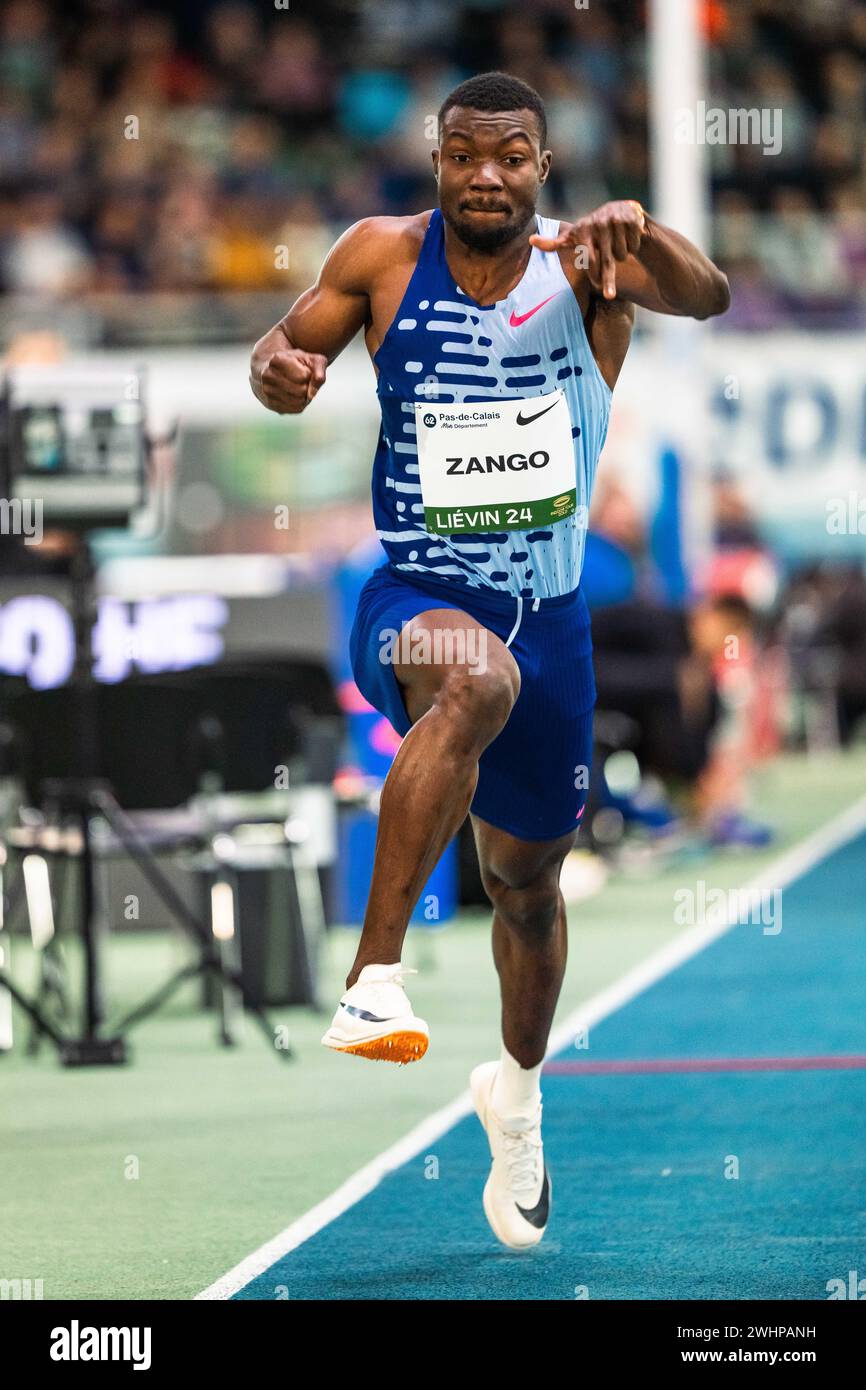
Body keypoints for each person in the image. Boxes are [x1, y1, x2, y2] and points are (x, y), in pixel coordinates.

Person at [250, 71, 729, 1250]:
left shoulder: (588, 265)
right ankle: (373, 980)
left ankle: (516, 1101)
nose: (485, 175)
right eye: (465, 153)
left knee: (527, 888)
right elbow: (280, 350)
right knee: (471, 680)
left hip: (550, 613)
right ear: (437, 159)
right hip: (416, 592)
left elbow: (708, 295)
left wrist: (640, 228)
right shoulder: (376, 255)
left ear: (540, 166)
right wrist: (277, 373)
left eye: (509, 156)